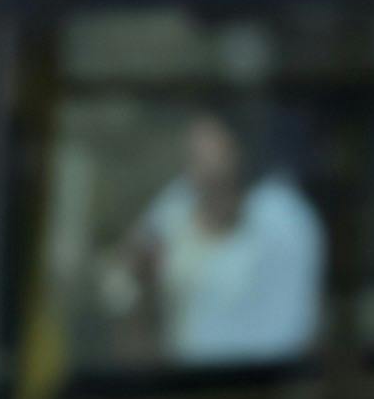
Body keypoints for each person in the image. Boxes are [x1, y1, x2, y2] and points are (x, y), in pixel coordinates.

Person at [122, 112, 325, 364]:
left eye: (210, 139)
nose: (196, 149)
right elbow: (136, 270)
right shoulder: (177, 203)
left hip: (254, 383)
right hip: (179, 380)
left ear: (237, 146)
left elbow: (291, 327)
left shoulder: (283, 219)